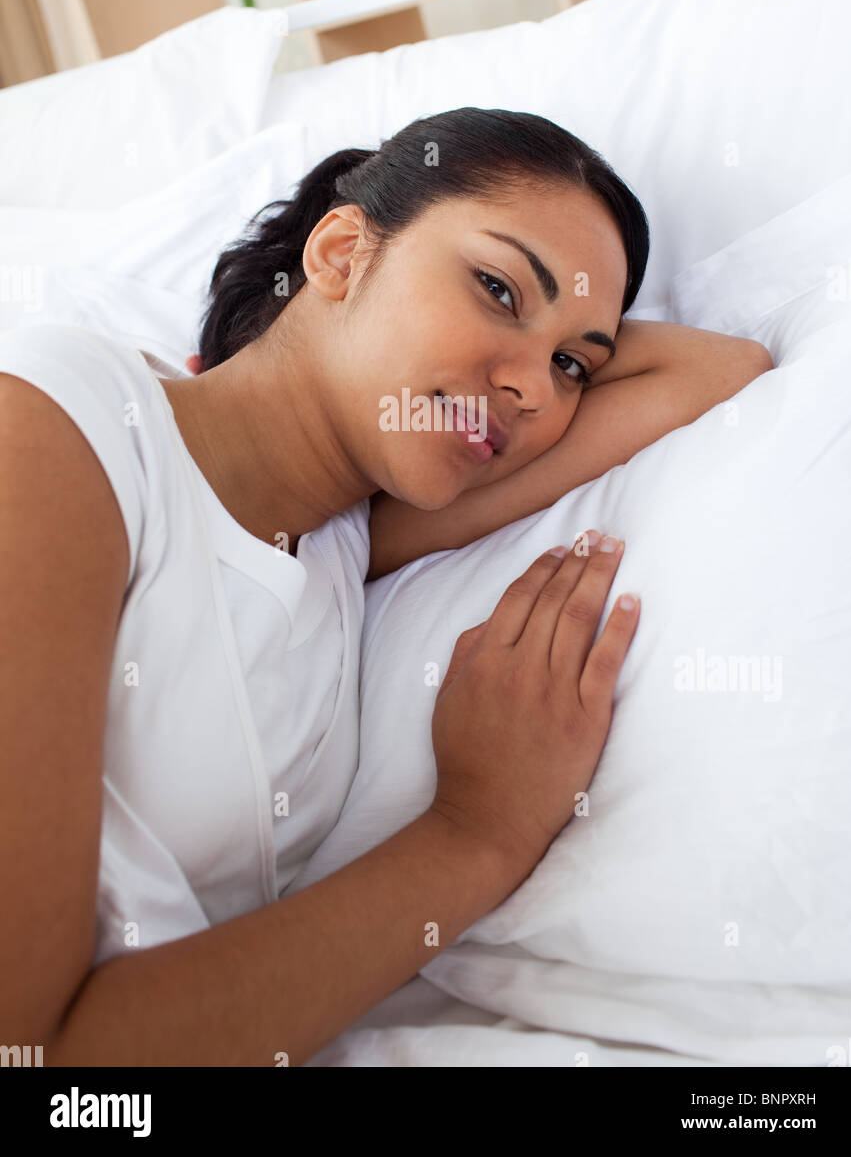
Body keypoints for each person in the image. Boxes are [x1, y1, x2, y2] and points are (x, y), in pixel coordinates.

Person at [0, 107, 771, 1067]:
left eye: (574, 363)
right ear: (339, 253)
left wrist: (533, 329)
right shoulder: (60, 422)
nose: (537, 389)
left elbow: (724, 369)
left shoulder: (344, 544)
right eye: (496, 287)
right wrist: (476, 835)